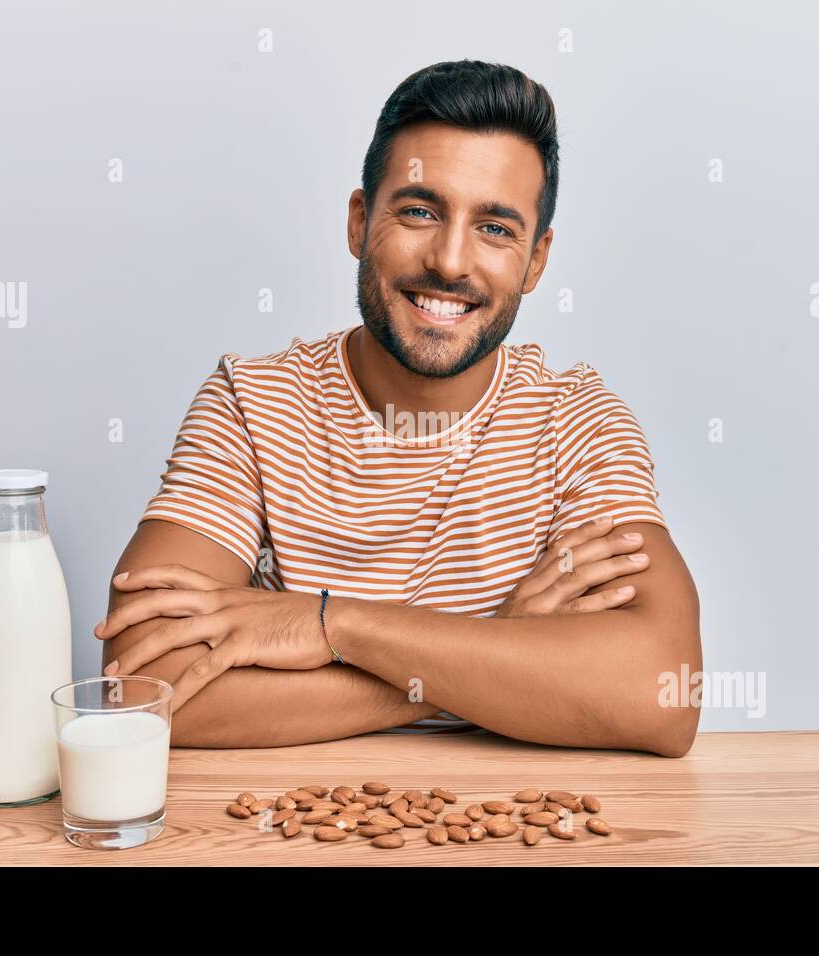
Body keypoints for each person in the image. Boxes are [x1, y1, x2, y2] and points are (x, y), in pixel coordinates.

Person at [97, 60, 701, 754]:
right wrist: (498, 647)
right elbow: (141, 688)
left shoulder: (579, 423)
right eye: (420, 211)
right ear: (360, 222)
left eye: (496, 229)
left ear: (536, 263)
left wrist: (333, 624)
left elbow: (662, 696)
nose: (449, 260)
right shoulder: (252, 405)